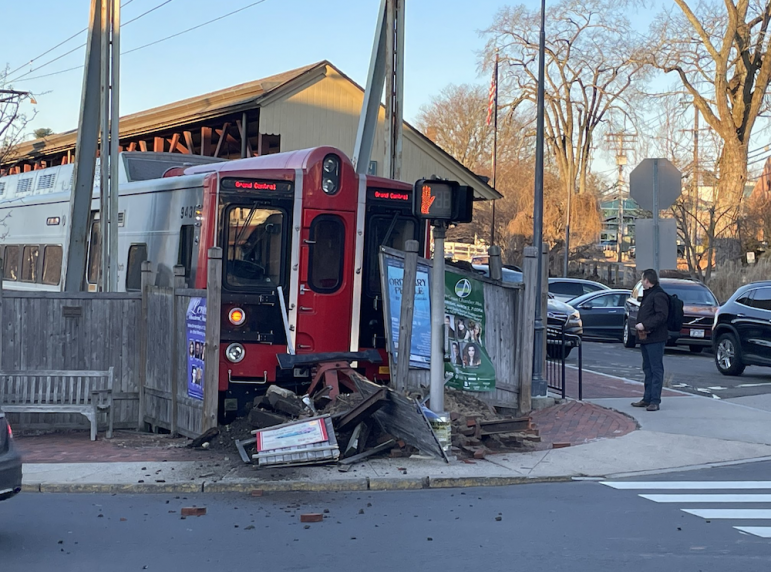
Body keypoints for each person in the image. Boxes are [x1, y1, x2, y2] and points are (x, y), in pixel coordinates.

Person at [632, 268, 669, 411]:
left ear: (647, 281)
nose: (641, 282)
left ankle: (655, 400)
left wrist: (645, 325)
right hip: (646, 338)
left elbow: (661, 316)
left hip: (656, 338)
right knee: (647, 368)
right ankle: (647, 398)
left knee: (656, 369)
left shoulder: (658, 295)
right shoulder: (649, 295)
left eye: (642, 279)